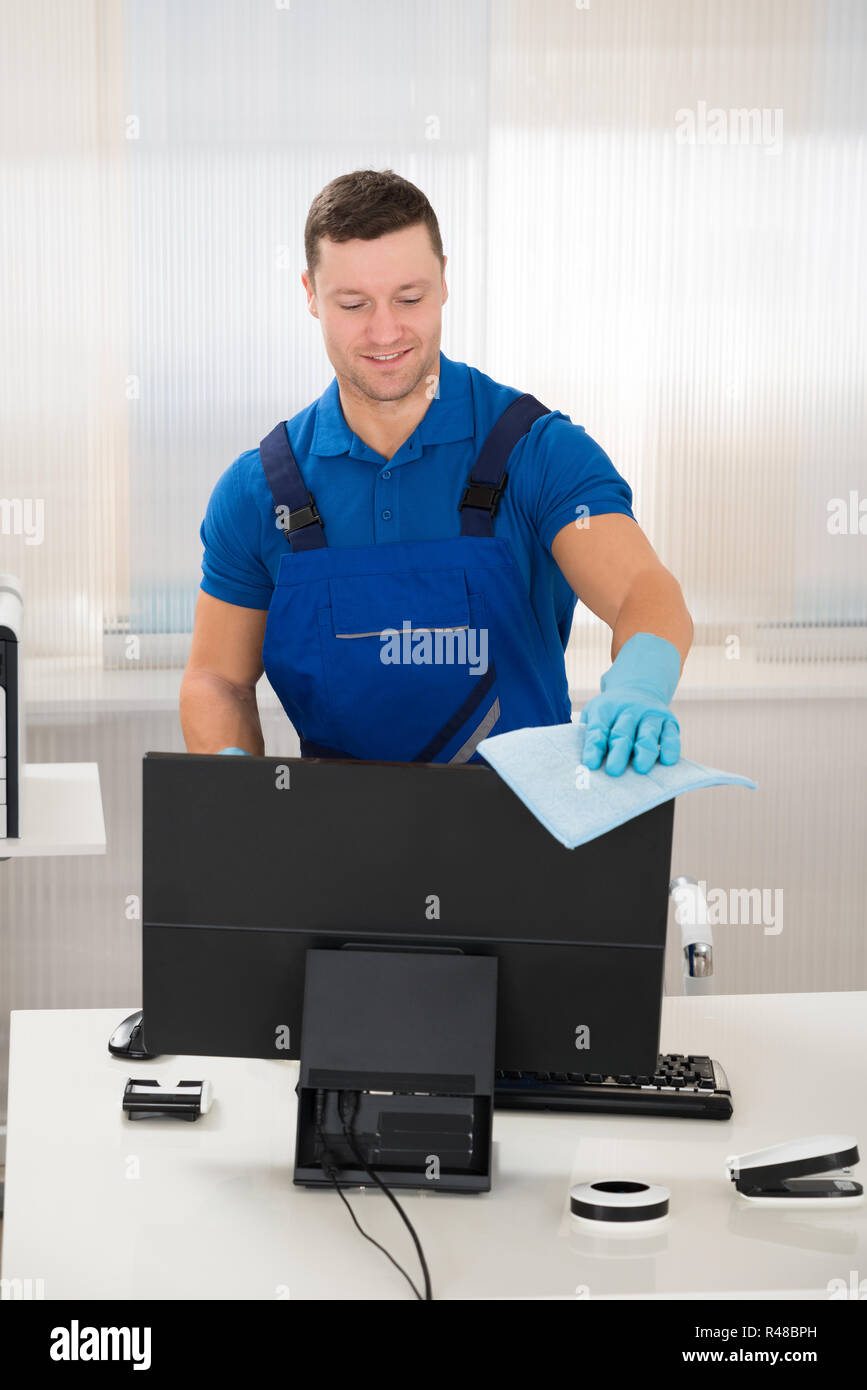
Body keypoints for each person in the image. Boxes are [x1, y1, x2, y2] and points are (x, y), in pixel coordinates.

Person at [181, 170, 692, 775]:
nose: (385, 331)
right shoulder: (259, 491)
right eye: (353, 304)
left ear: (445, 282)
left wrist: (640, 685)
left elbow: (643, 591)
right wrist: (232, 784)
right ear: (311, 294)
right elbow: (217, 678)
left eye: (410, 297)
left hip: (524, 844)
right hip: (335, 851)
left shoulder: (536, 451)